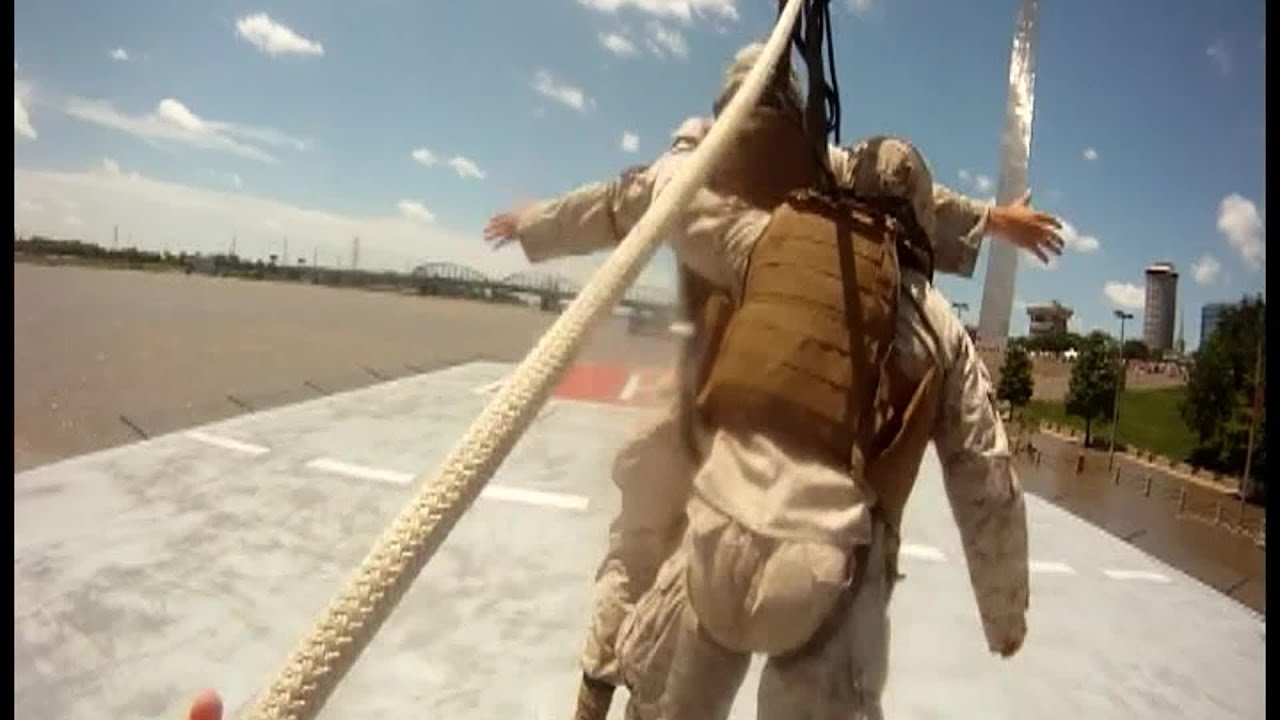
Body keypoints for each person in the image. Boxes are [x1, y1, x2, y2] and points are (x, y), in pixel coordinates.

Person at [484, 44, 1061, 720]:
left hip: (711, 506)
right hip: (823, 564)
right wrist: (1005, 617)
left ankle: (596, 692)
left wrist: (535, 227)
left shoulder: (748, 223)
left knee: (644, 601)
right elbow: (986, 473)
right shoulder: (924, 308)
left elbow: (641, 197)